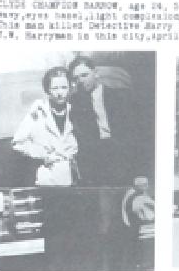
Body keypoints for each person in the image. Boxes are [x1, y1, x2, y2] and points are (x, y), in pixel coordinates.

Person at [68, 54, 140, 186]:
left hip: (121, 156)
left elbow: (135, 133)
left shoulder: (120, 96)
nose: (81, 81)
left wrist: (139, 170)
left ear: (95, 73)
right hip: (94, 162)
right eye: (76, 78)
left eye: (84, 75)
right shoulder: (75, 103)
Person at [11, 66, 77, 186]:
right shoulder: (38, 112)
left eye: (64, 87)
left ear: (70, 88)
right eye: (55, 88)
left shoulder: (75, 110)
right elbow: (18, 142)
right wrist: (44, 155)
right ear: (47, 90)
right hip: (48, 180)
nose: (60, 93)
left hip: (74, 180)